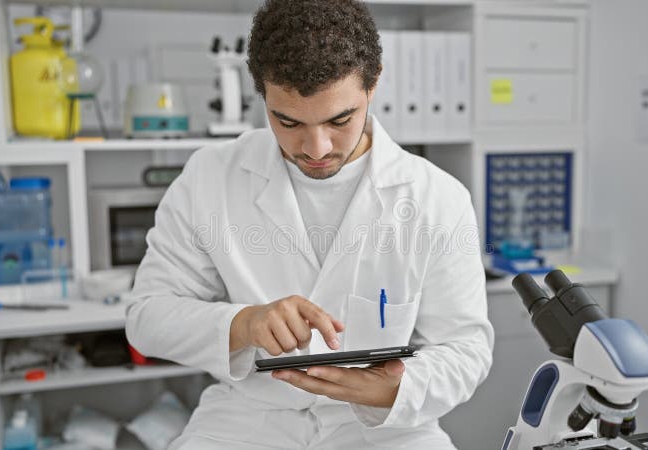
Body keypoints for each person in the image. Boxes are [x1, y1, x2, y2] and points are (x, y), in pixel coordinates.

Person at [125, 1, 494, 448]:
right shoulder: (210, 177)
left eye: (340, 120)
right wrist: (244, 323)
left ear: (373, 83)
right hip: (247, 420)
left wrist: (395, 389)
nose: (316, 147)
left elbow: (466, 348)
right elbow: (146, 318)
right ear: (260, 93)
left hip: (384, 428)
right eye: (288, 121)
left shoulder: (437, 198)